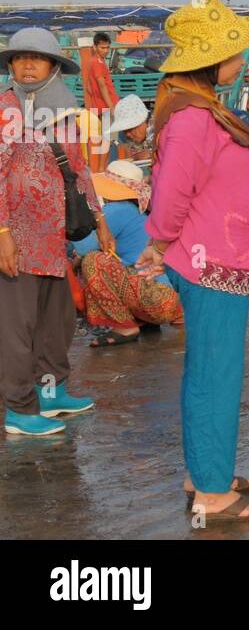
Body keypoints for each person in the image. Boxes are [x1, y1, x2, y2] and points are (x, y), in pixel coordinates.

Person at [135, 0, 249, 523]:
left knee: (206, 371)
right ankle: (214, 495)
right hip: (211, 259)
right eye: (235, 50)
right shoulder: (193, 114)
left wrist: (164, 241)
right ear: (211, 61)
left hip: (212, 254)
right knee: (216, 374)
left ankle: (205, 470)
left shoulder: (194, 104)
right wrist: (162, 239)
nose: (242, 58)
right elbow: (172, 192)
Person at [0, 27, 114, 435]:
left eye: (37, 58)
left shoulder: (64, 111)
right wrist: (3, 233)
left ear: (52, 67)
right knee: (17, 329)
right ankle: (19, 409)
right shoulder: (6, 108)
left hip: (52, 239)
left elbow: (80, 170)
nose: (27, 64)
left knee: (56, 322)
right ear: (11, 65)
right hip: (16, 239)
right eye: (19, 58)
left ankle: (51, 393)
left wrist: (100, 222)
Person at [71, 161, 183, 346]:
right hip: (169, 300)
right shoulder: (137, 211)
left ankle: (124, 327)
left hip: (155, 297)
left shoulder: (117, 210)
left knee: (93, 260)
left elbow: (82, 247)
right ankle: (143, 321)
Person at [85, 32, 119, 173]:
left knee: (101, 137)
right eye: (102, 48)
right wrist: (111, 106)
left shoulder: (95, 61)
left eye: (107, 48)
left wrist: (95, 98)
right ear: (95, 47)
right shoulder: (98, 63)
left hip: (99, 105)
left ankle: (99, 169)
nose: (105, 51)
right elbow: (101, 85)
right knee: (106, 139)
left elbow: (88, 86)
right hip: (105, 106)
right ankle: (101, 169)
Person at [107, 94, 153, 162]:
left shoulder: (157, 130)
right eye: (125, 131)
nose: (127, 134)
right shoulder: (144, 135)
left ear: (141, 121)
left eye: (130, 129)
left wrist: (152, 154)